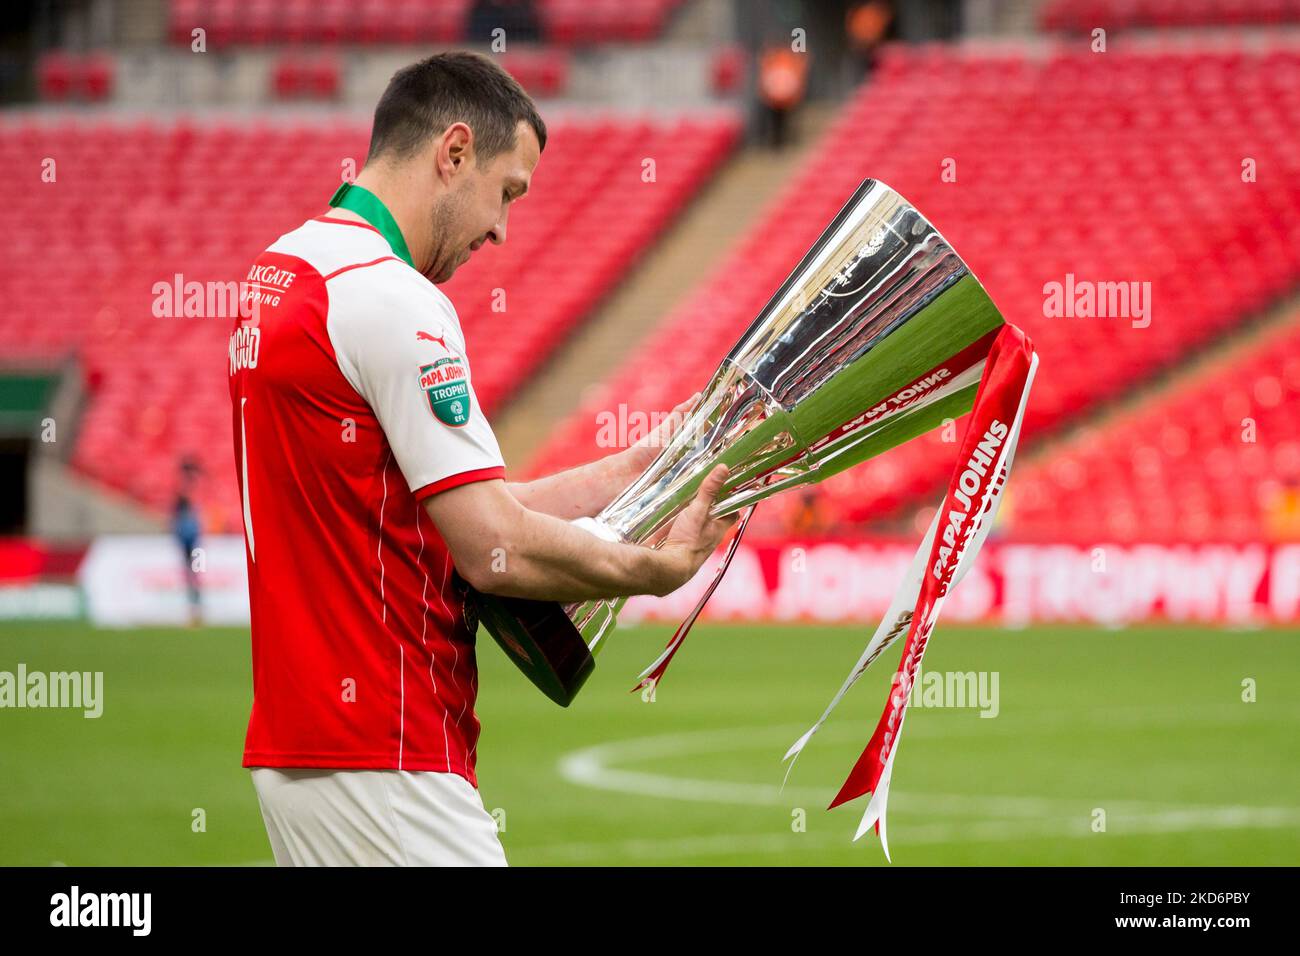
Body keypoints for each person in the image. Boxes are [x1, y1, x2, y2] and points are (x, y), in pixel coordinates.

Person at [228, 51, 736, 867]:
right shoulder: (394, 297)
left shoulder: (285, 270)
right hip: (388, 752)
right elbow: (491, 549)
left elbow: (444, 512)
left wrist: (635, 468)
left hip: (308, 748)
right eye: (507, 192)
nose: (502, 230)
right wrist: (652, 572)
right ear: (453, 152)